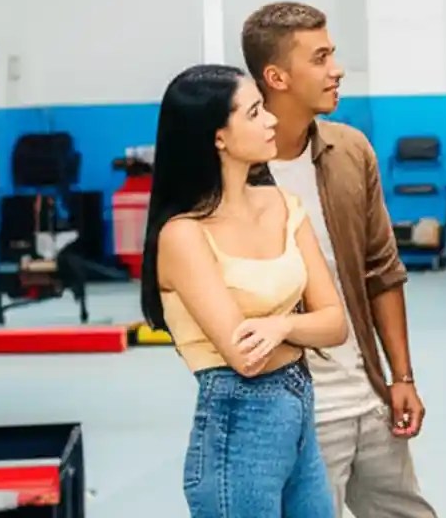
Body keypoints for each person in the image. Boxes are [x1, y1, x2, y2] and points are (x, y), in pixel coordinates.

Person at [239, 2, 439, 518]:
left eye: (334, 53)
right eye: (321, 57)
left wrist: (402, 377)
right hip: (296, 412)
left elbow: (382, 272)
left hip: (367, 397)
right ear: (276, 77)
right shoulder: (233, 176)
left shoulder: (351, 151)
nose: (338, 69)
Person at [140, 64, 349, 518]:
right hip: (238, 433)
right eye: (255, 113)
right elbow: (245, 357)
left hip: (299, 422)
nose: (272, 120)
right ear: (218, 137)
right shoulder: (183, 236)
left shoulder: (282, 205)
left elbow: (336, 324)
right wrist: (298, 329)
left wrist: (280, 326)